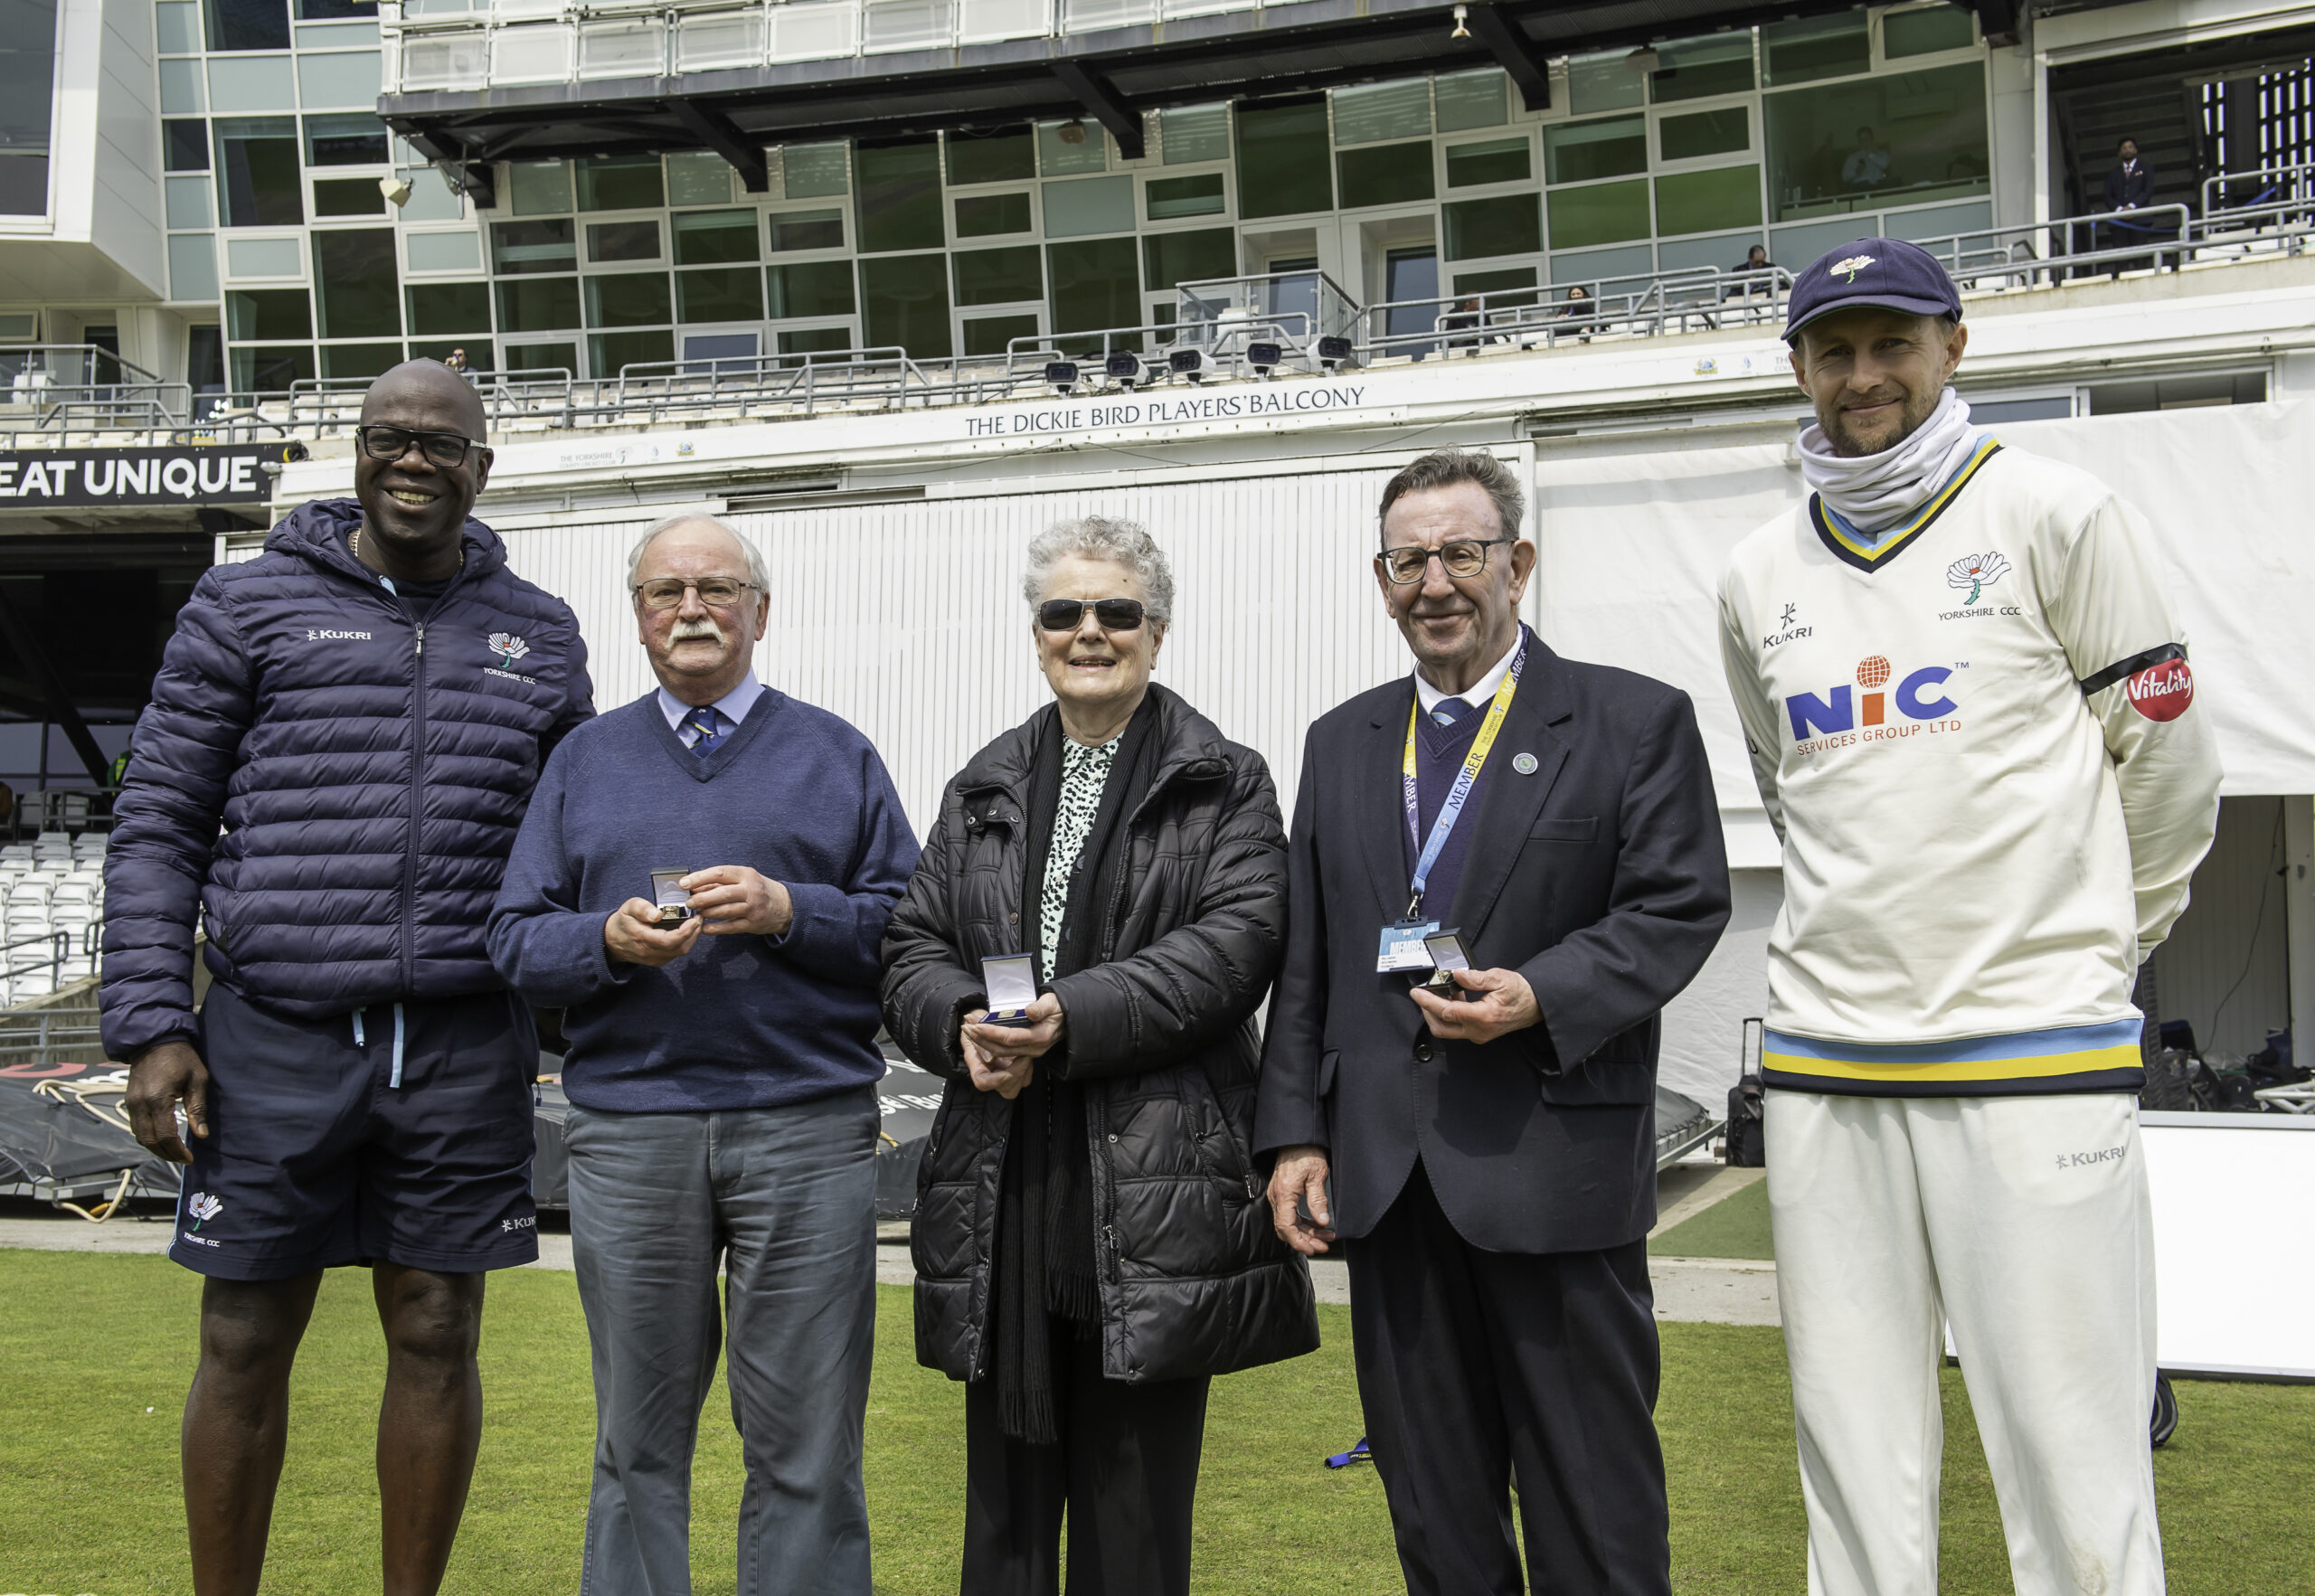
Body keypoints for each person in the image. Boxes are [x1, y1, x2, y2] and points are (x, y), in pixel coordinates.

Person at [1716, 238, 2220, 1596]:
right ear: (1800, 368)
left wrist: (2095, 946)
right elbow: (1791, 786)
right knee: (1853, 1450)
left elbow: (2169, 762)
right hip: (1830, 1064)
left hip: (2030, 1054)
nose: (1863, 375)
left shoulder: (2061, 512)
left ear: (1955, 345)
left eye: (1892, 343)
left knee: (2073, 1451)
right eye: (1834, 350)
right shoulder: (1757, 570)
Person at [101, 360, 593, 1596]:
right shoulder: (245, 606)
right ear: (356, 454)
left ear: (484, 469)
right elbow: (159, 820)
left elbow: (575, 838)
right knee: (245, 1334)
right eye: (388, 438)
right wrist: (155, 1019)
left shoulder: (538, 631)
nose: (412, 460)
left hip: (461, 1039)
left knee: (438, 1328)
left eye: (441, 444)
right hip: (275, 1029)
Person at [1256, 448, 1731, 1596]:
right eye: (1408, 560)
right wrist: (1293, 1136)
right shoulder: (1341, 740)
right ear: (1382, 581)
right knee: (1434, 1507)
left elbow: (1678, 906)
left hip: (1552, 1171)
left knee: (1594, 1508)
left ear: (1516, 563)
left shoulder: (1630, 719)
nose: (1435, 583)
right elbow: (1306, 955)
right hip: (1389, 1180)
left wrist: (1542, 994)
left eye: (1460, 554)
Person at [883, 516, 1318, 1596]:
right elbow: (911, 948)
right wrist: (960, 1030)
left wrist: (1066, 1016)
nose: (1090, 631)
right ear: (1035, 634)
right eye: (1063, 612)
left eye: (1116, 611)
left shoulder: (1225, 780)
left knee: (1133, 1528)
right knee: (1004, 1530)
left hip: (1152, 1199)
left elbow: (1232, 948)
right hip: (1005, 1187)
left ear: (1156, 632)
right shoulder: (982, 783)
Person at [488, 513, 916, 1596]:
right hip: (632, 1129)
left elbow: (911, 927)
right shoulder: (584, 759)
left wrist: (789, 909)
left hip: (806, 1126)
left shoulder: (837, 751)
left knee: (810, 1447)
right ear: (636, 616)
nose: (692, 609)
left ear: (759, 610)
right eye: (666, 590)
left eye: (718, 589)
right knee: (637, 1447)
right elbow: (513, 936)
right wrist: (606, 940)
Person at [1841, 126, 1891, 191]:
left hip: (1878, 188)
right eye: (1861, 140)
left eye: (1867, 139)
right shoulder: (1852, 157)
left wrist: (1870, 154)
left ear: (1872, 138)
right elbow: (1845, 177)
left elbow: (1885, 165)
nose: (1865, 142)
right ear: (1858, 141)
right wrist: (1856, 172)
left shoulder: (1882, 154)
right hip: (1860, 189)